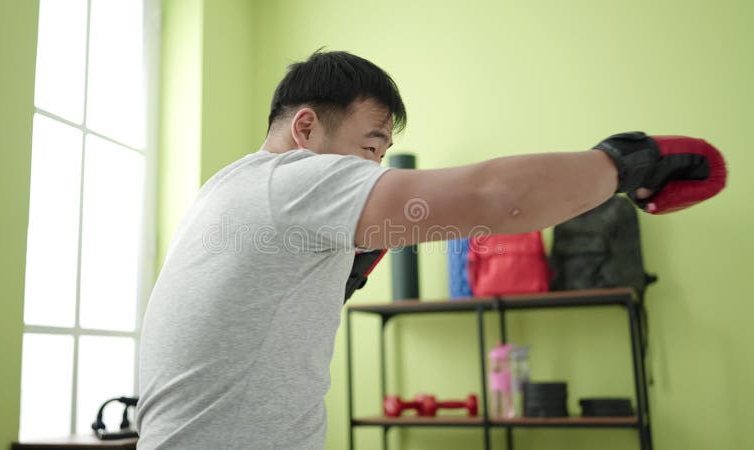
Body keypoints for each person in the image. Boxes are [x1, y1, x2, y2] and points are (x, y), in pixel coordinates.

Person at [136, 50, 686, 449]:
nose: (374, 168)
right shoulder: (295, 180)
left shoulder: (228, 188)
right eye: (370, 146)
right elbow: (502, 200)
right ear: (306, 127)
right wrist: (630, 163)